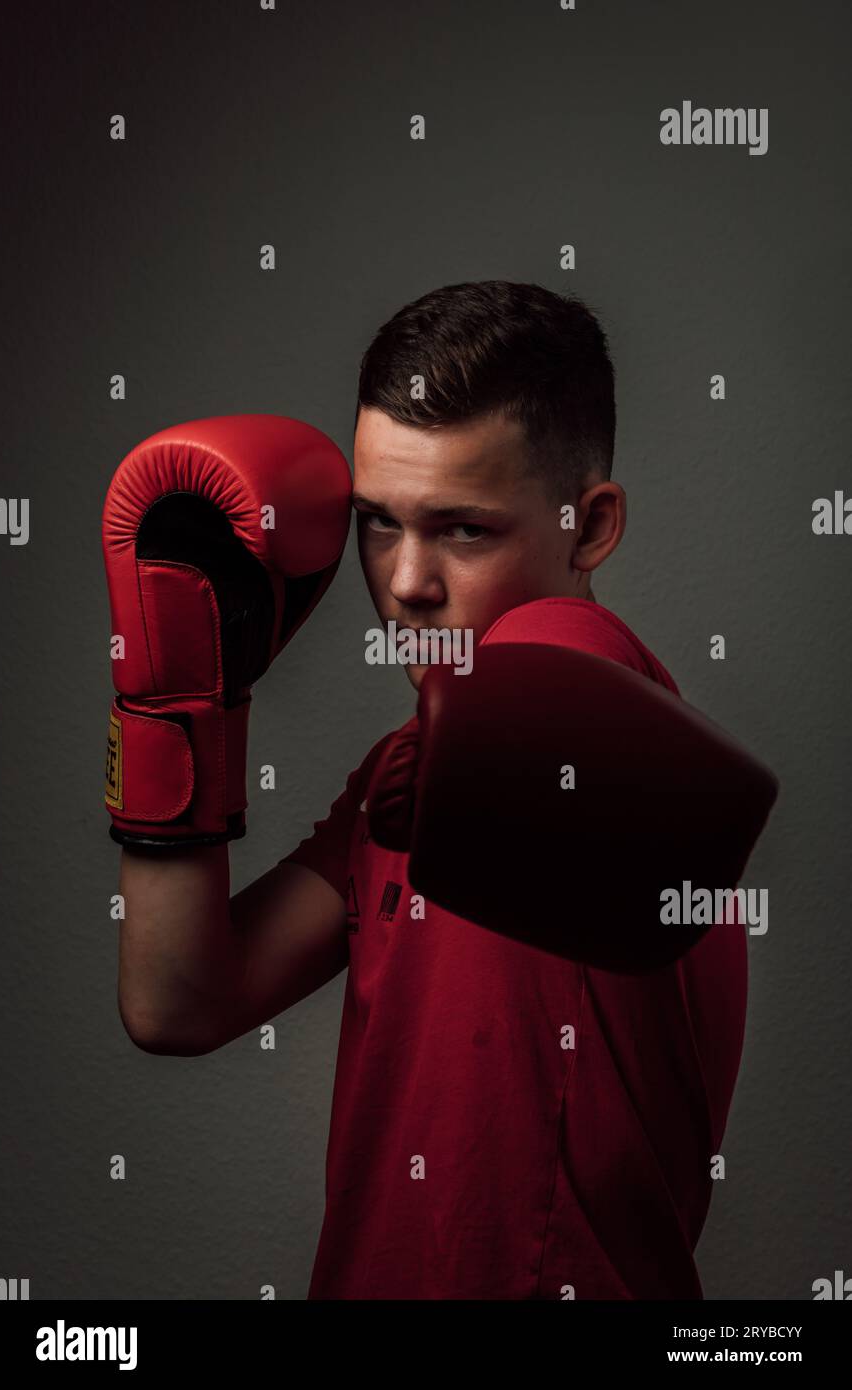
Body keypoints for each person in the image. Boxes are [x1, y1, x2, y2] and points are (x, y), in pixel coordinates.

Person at [106, 281, 777, 1300]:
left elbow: (552, 671)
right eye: (378, 523)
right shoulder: (407, 772)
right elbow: (179, 1001)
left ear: (589, 527)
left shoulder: (594, 692)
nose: (407, 580)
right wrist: (182, 702)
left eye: (462, 529)